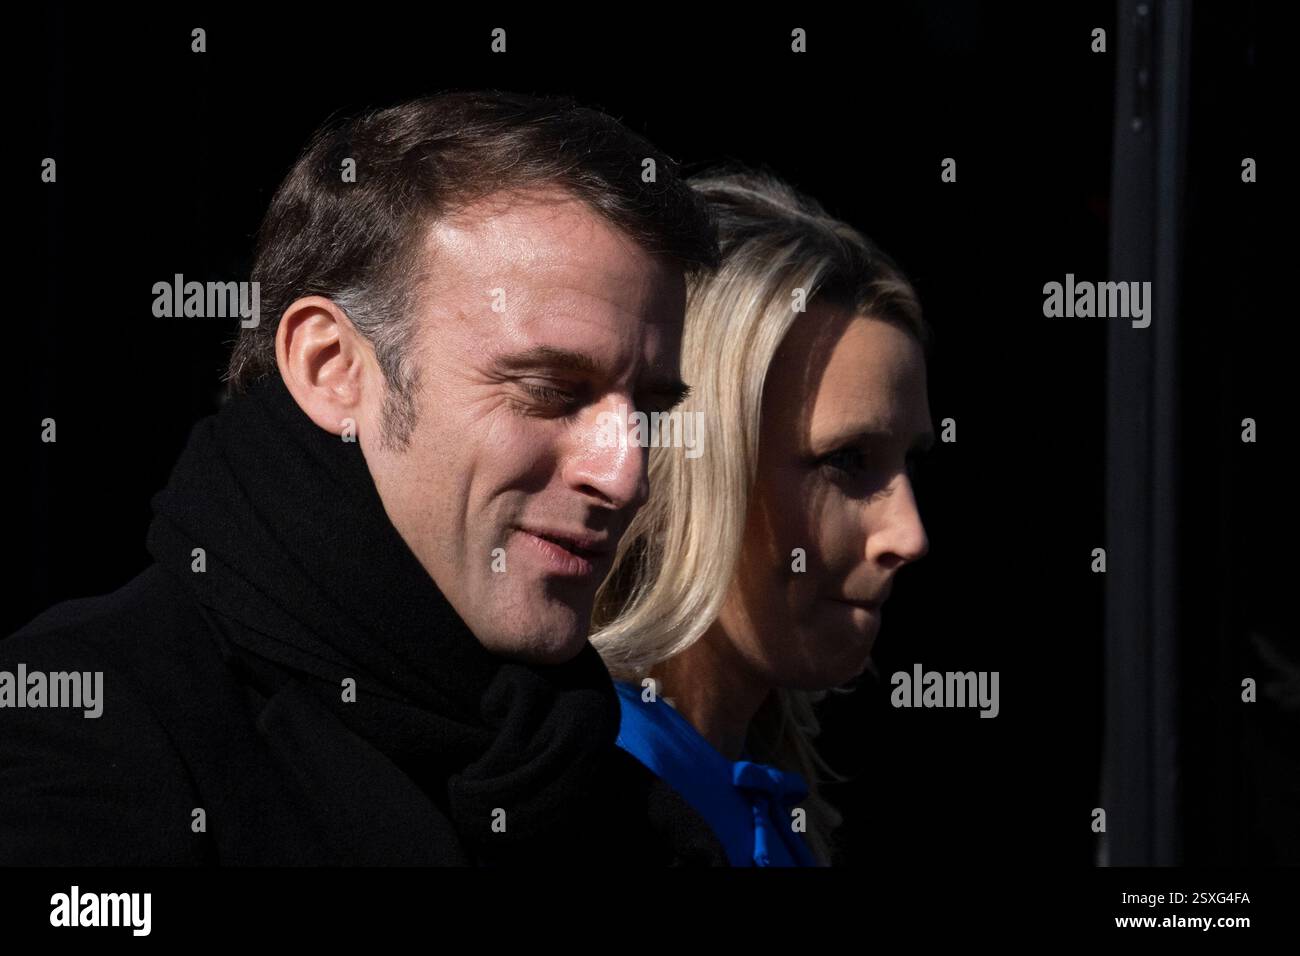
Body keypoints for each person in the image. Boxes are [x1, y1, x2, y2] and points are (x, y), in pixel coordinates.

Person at [1, 90, 730, 865]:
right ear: (332, 368)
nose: (625, 475)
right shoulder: (82, 723)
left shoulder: (637, 821)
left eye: (650, 408)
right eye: (549, 392)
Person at [591, 168, 935, 866]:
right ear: (689, 467)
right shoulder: (598, 804)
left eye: (908, 462)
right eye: (845, 461)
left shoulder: (751, 792)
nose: (911, 534)